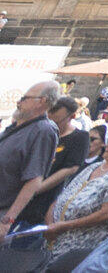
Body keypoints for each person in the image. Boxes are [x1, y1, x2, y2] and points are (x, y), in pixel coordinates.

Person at [35, 117, 108, 273]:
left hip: (81, 247)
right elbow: (64, 195)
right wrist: (50, 222)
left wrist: (64, 226)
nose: (107, 144)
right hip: (54, 240)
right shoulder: (96, 165)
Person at [0, 82, 65, 230]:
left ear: (41, 101)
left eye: (24, 98)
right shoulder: (17, 126)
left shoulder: (43, 130)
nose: (18, 102)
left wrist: (7, 222)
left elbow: (34, 179)